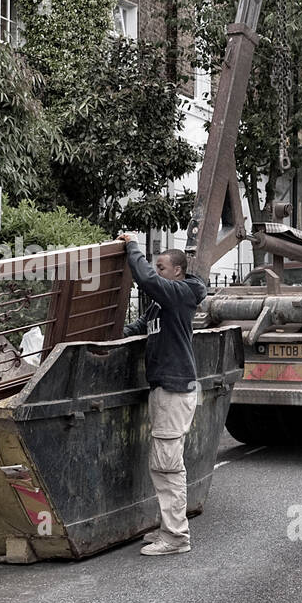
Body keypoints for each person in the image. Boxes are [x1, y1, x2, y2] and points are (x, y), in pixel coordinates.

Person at [118, 233, 208, 556]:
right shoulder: (160, 305)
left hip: (174, 389)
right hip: (162, 390)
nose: (156, 271)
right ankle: (169, 525)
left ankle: (176, 536)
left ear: (178, 272)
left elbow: (143, 278)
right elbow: (139, 326)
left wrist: (132, 247)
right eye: (155, 266)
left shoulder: (180, 294)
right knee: (162, 463)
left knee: (168, 464)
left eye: (161, 267)